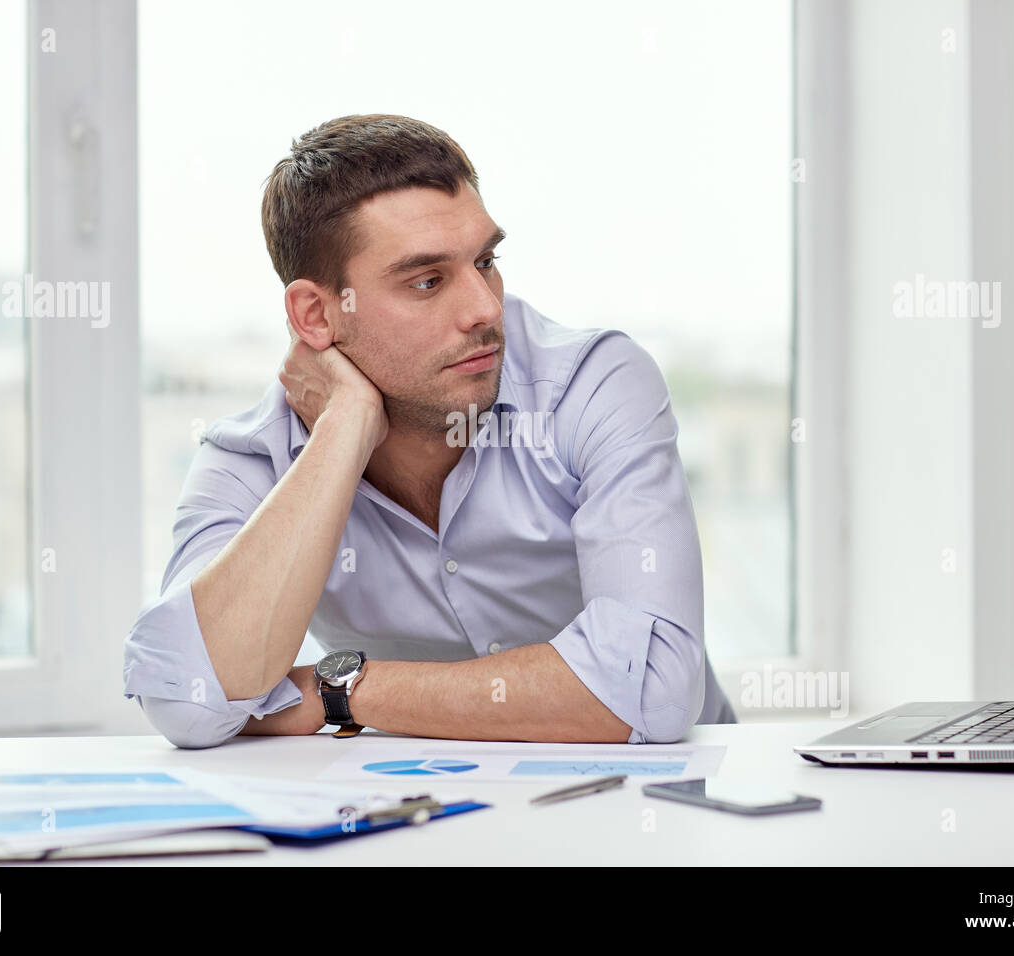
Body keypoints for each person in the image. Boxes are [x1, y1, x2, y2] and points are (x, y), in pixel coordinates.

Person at [122, 114, 735, 748]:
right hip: (435, 814)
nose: (484, 309)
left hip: (663, 806)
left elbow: (654, 689)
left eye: (486, 261)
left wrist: (340, 692)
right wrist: (346, 426)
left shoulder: (594, 384)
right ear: (316, 314)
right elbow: (188, 702)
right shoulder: (255, 454)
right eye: (426, 281)